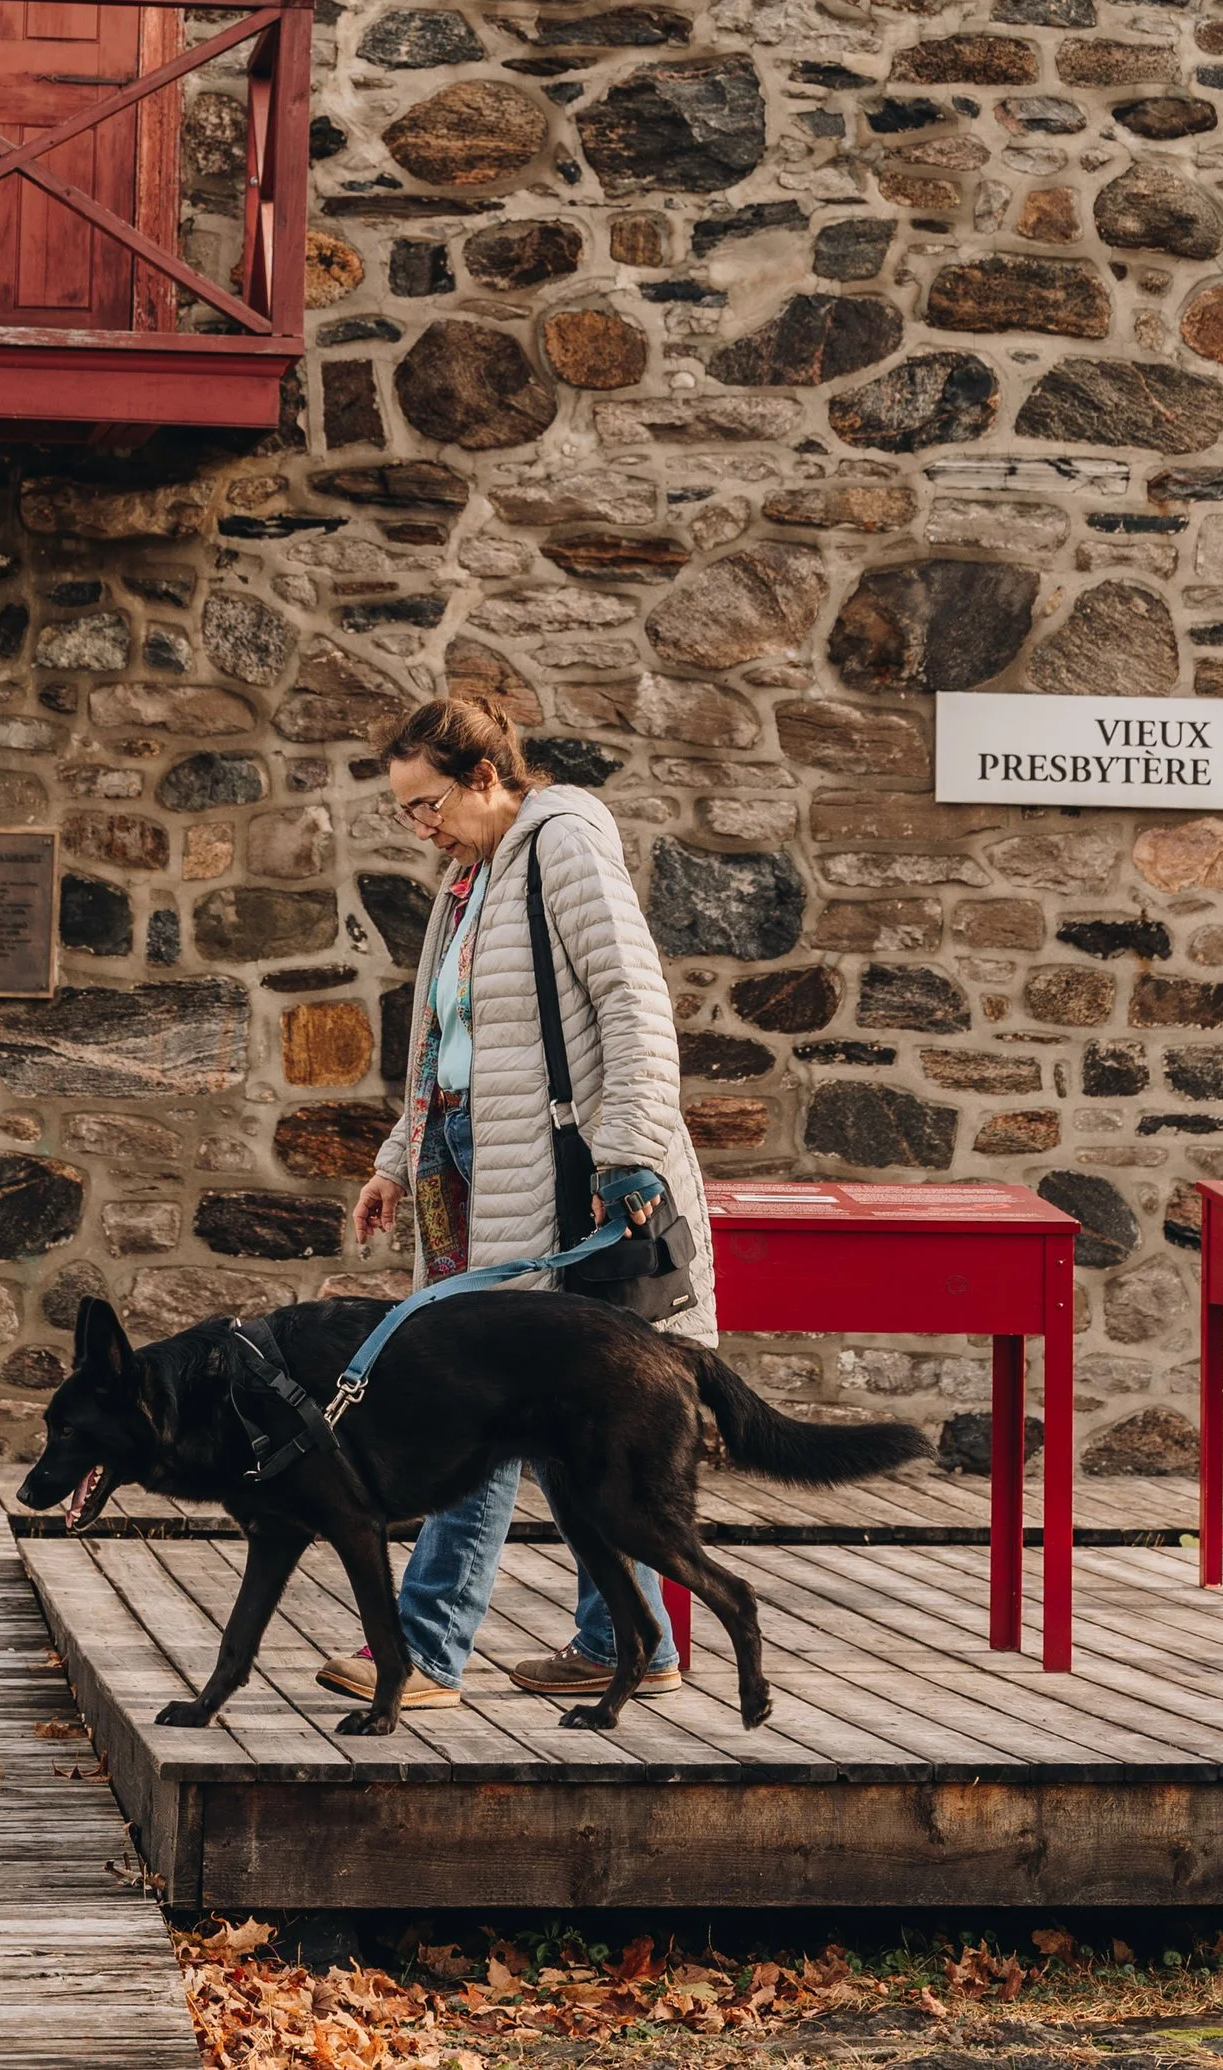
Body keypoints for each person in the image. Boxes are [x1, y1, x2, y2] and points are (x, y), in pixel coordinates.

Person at [316, 691, 717, 1712]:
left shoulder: (561, 842)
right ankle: (631, 1638)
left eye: (427, 803)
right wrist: (397, 1161)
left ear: (485, 777)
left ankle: (420, 1651)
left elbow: (633, 1000)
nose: (420, 827)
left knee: (477, 1402)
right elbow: (444, 1054)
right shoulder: (468, 883)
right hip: (468, 1175)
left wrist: (628, 1154)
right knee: (551, 1412)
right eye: (406, 812)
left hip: (556, 1179)